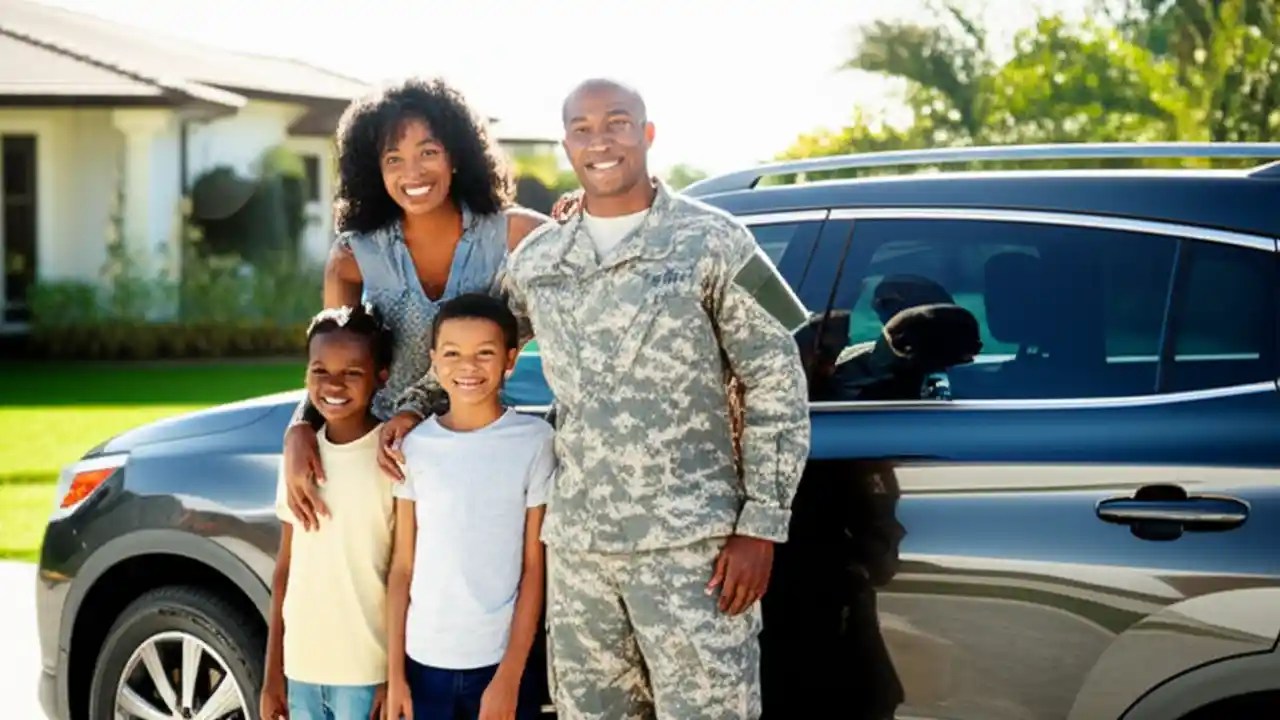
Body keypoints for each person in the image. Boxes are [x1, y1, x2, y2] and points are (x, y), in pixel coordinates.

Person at [500, 78, 812, 719]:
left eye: (617, 123)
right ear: (567, 146)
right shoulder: (541, 258)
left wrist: (761, 525)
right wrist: (413, 407)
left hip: (694, 552)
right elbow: (475, 348)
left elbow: (778, 377)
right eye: (582, 129)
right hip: (582, 555)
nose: (600, 140)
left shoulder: (716, 242)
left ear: (646, 134)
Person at [281, 76, 549, 532]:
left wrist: (578, 209)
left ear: (456, 155)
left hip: (473, 453)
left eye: (428, 152)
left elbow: (589, 256)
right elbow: (332, 360)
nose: (413, 173)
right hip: (383, 456)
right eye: (393, 159)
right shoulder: (353, 256)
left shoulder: (513, 234)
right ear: (374, 169)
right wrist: (298, 428)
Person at [383, 293, 553, 720]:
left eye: (485, 353)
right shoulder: (416, 447)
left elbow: (534, 568)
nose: (468, 367)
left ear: (510, 359)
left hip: (500, 663)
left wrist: (510, 676)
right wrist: (395, 676)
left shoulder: (533, 442)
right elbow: (403, 565)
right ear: (434, 360)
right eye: (453, 353)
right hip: (423, 665)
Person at [260, 303, 397, 720]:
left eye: (351, 372)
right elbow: (285, 571)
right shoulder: (298, 460)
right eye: (320, 371)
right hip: (301, 668)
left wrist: (394, 674)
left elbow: (403, 574)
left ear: (380, 378)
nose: (333, 384)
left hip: (366, 673)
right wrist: (272, 676)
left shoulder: (393, 459)